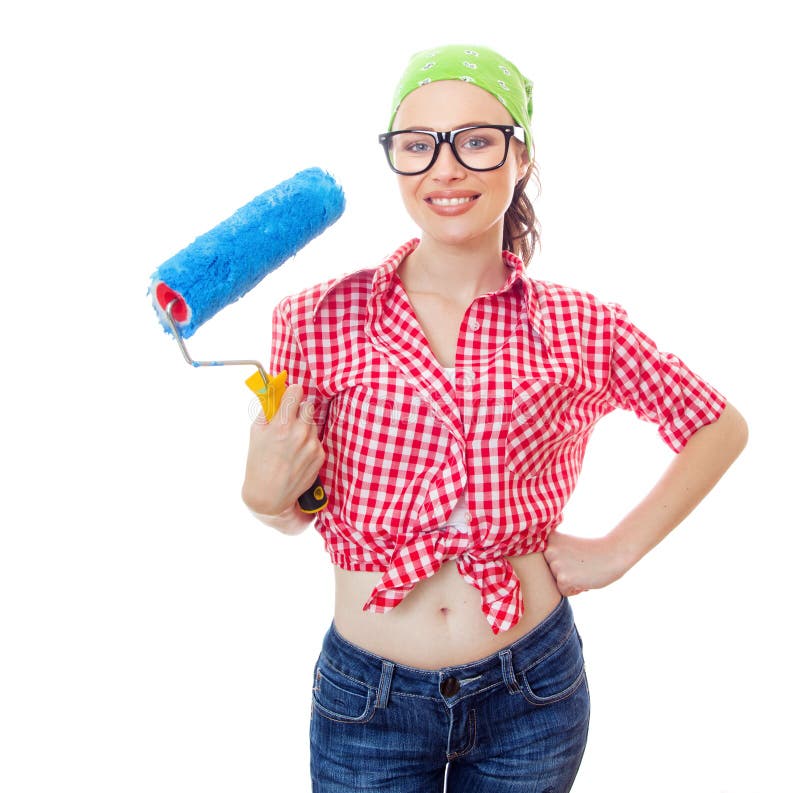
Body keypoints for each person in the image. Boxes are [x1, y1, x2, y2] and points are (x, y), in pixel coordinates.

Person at [240, 44, 748, 793]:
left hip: (532, 693)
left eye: (476, 141)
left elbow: (718, 424)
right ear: (397, 161)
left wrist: (616, 551)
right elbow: (301, 509)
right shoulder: (316, 319)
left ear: (520, 156)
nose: (445, 169)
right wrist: (264, 495)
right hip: (367, 700)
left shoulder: (580, 326)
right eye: (417, 146)